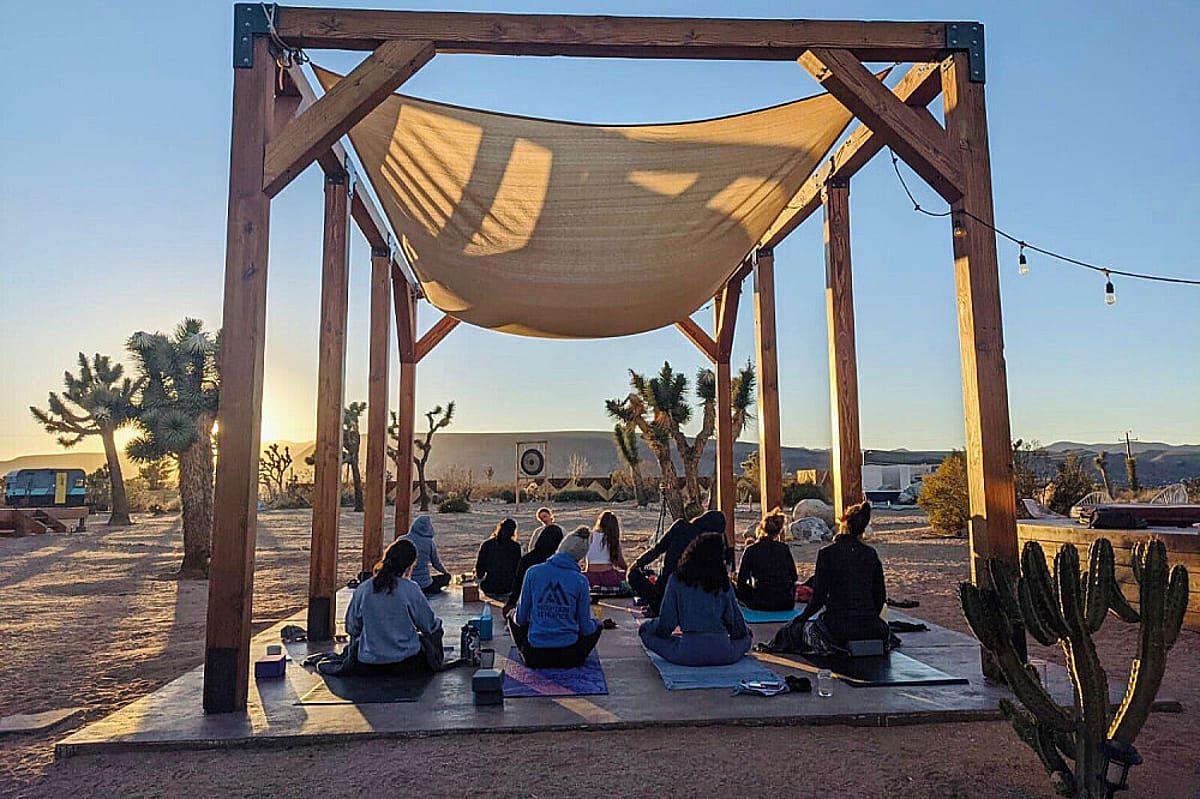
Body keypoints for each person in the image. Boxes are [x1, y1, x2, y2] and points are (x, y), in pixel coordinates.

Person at [761, 501, 890, 656]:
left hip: (838, 627)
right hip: (872, 627)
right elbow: (880, 596)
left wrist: (800, 618)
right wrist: (869, 617)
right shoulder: (871, 554)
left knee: (790, 633)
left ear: (843, 522)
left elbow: (818, 599)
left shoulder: (828, 554)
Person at [316, 538, 445, 675]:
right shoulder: (410, 589)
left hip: (369, 661)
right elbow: (429, 625)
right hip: (406, 661)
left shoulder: (363, 589)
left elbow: (351, 627)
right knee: (432, 636)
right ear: (409, 565)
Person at [639, 533, 752, 666]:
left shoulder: (676, 580)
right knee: (747, 637)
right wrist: (745, 633)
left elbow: (666, 623)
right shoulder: (723, 582)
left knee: (646, 633)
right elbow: (735, 624)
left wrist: (647, 626)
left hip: (688, 653)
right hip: (723, 653)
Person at [507, 527, 609, 668]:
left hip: (535, 655)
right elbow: (585, 628)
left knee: (512, 616)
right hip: (570, 655)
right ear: (581, 556)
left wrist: (512, 614)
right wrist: (596, 622)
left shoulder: (533, 573)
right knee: (596, 625)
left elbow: (520, 619)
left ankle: (524, 651)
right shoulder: (580, 581)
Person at [628, 510, 727, 616]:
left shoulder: (680, 526)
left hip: (665, 592)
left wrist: (637, 563)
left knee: (633, 575)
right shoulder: (711, 544)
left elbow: (657, 550)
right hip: (690, 598)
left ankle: (657, 606)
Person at [736, 508, 797, 611]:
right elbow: (794, 576)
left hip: (761, 602)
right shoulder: (783, 548)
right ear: (779, 530)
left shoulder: (751, 550)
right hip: (786, 602)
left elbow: (741, 580)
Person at [502, 523, 564, 615]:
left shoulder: (527, 559)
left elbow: (517, 585)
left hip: (524, 607)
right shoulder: (560, 563)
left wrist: (511, 604)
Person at [474, 518, 523, 599]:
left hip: (489, 586)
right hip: (508, 587)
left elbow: (480, 567)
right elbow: (517, 568)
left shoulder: (487, 545)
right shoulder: (516, 547)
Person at [403, 515, 451, 595]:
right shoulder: (429, 543)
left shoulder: (402, 539)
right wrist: (446, 572)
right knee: (445, 578)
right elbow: (436, 563)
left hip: (406, 583)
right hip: (425, 585)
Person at [584, 510, 627, 589]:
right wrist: (628, 570)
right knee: (625, 576)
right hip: (609, 577)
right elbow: (620, 561)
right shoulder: (612, 539)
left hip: (590, 577)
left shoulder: (590, 536)